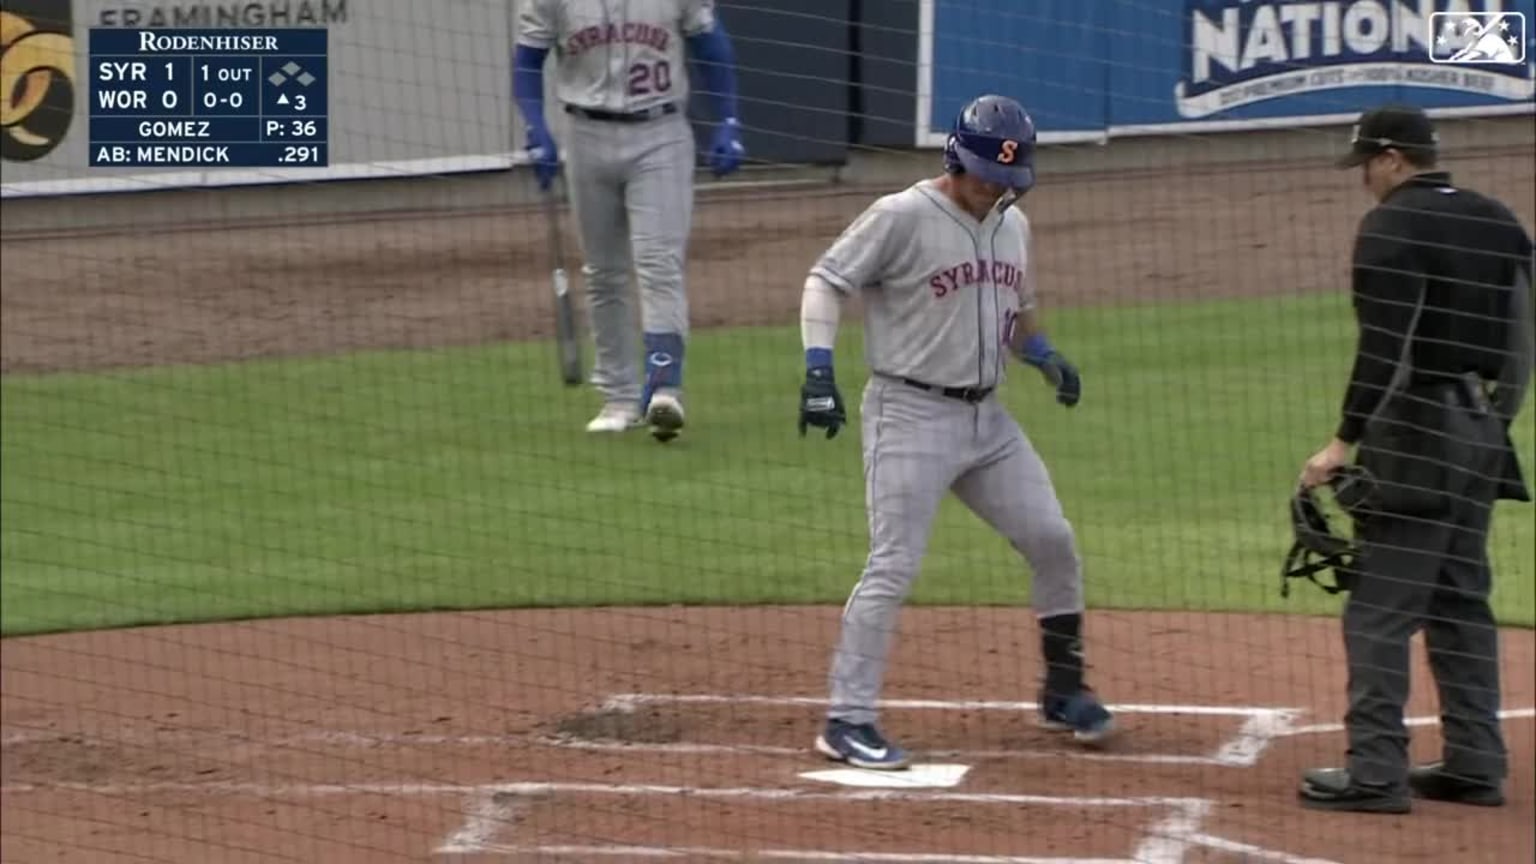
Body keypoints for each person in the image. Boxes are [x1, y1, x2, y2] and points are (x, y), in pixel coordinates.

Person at [796, 94, 1114, 770]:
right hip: (909, 416)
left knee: (1052, 540)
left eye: (1008, 178)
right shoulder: (899, 216)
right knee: (895, 564)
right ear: (954, 159)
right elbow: (824, 282)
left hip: (988, 420)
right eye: (985, 175)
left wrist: (1043, 354)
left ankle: (1063, 688)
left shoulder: (1012, 223)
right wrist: (818, 370)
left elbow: (1016, 306)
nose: (996, 187)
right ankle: (846, 718)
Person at [1297, 103, 1533, 813]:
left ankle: (1374, 773)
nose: (1364, 180)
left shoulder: (1391, 225)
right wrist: (1495, 424)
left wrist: (1344, 440)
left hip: (1416, 432)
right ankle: (1475, 762)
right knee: (1461, 601)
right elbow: (1523, 338)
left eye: (1367, 165)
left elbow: (1386, 345)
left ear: (1394, 157)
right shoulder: (1498, 217)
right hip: (1482, 431)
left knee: (1378, 610)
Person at [513, 0, 746, 441]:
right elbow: (527, 60)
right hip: (585, 134)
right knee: (603, 272)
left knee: (658, 261)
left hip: (660, 133)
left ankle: (664, 387)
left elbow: (711, 46)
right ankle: (618, 397)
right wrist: (534, 128)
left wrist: (729, 120)